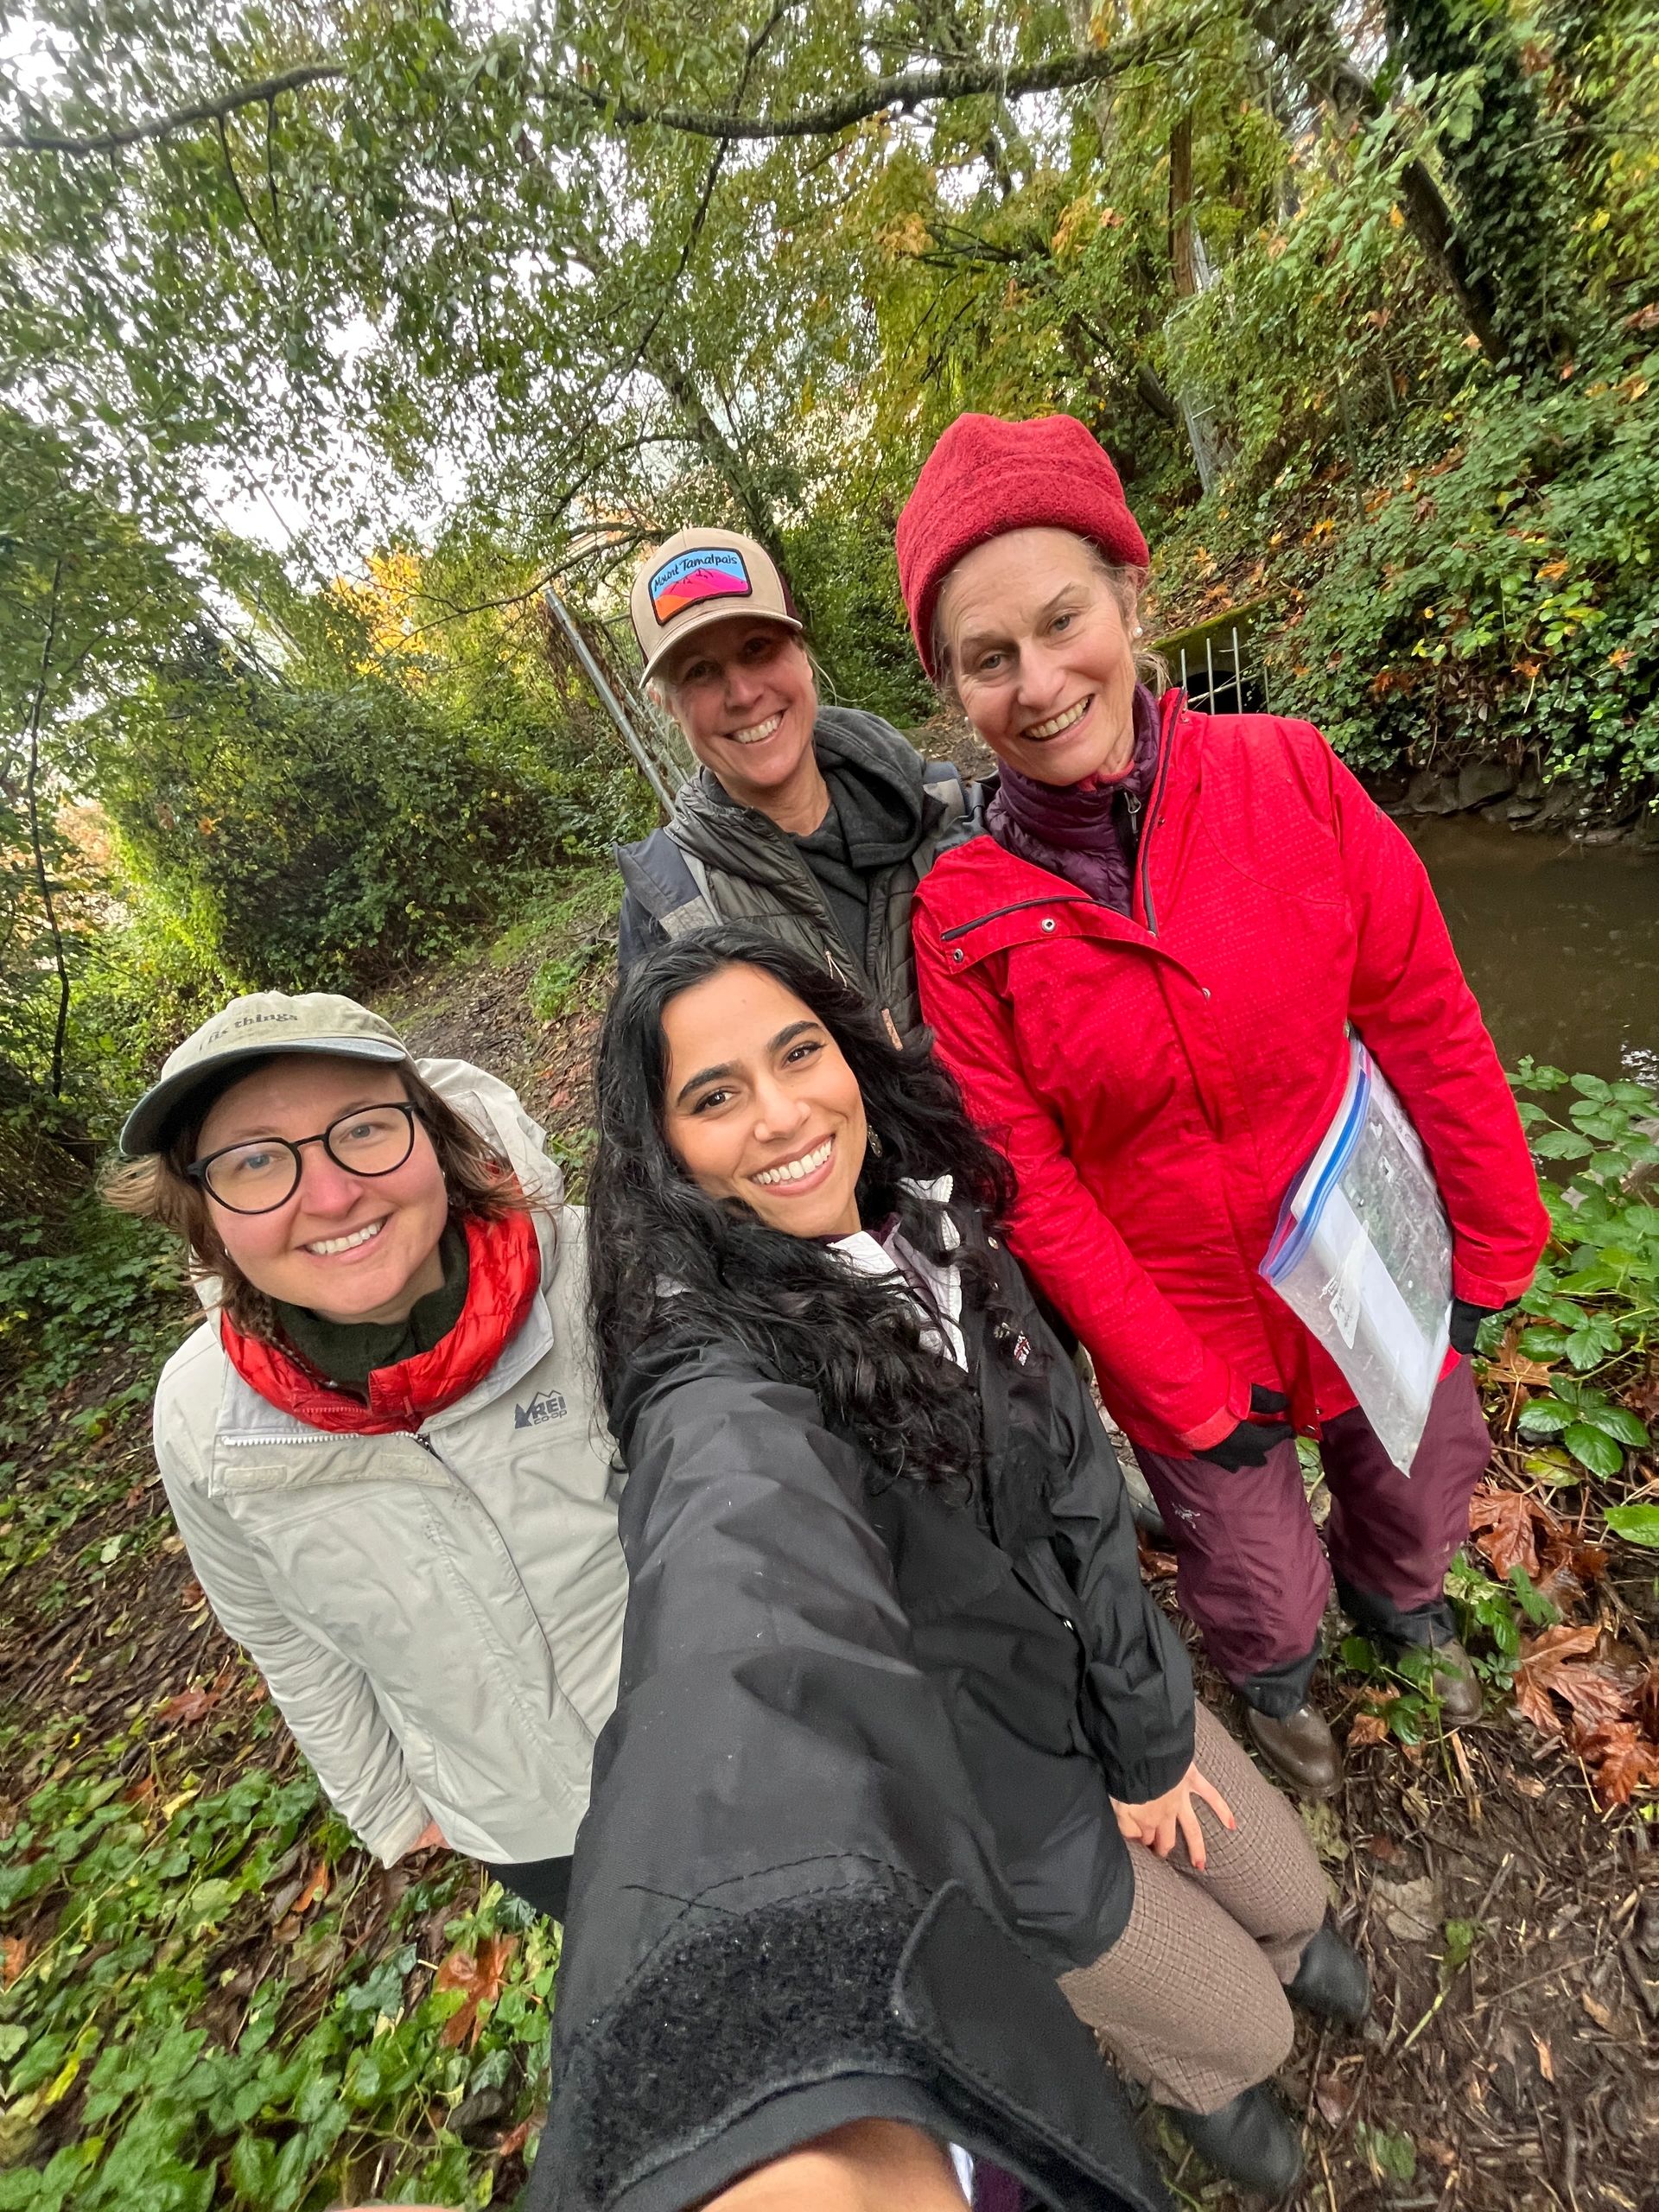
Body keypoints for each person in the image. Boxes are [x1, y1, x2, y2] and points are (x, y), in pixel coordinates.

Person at [530, 927, 1371, 2212]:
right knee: (1242, 2028)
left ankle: (1287, 1953)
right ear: (667, 1157)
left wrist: (1143, 1738)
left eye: (797, 1053)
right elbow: (736, 1593)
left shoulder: (937, 1211)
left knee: (1292, 1894)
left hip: (1100, 1681)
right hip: (989, 1804)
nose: (779, 1115)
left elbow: (1080, 1488)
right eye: (714, 1096)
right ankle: (1211, 2087)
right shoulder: (720, 1386)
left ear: (851, 1049)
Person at [895, 411, 1550, 1797]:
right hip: (1179, 1309)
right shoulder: (961, 920)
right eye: (988, 658)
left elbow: (1422, 1009)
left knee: (1421, 1469)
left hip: (1368, 1242)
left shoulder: (1289, 776)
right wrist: (1177, 1383)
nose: (1041, 680)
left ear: (1131, 598)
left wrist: (1490, 1237)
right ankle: (1279, 1676)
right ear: (953, 689)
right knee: (1246, 1552)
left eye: (1063, 619)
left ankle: (1407, 1604)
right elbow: (1034, 1186)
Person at [106, 991, 627, 1921]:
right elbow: (283, 1635)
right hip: (531, 1830)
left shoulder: (599, 1272)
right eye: (256, 1159)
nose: (335, 1193)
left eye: (364, 1127)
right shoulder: (202, 1422)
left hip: (735, 1732)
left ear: (435, 1133)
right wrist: (386, 1802)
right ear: (205, 1210)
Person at [615, 524, 973, 1042]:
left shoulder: (938, 808)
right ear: (667, 705)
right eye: (700, 671)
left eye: (758, 647)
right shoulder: (668, 909)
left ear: (801, 652)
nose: (741, 693)